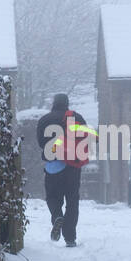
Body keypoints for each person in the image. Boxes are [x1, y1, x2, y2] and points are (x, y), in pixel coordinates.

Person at [36, 93, 94, 246]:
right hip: (72, 166)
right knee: (72, 200)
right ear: (67, 103)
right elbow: (86, 138)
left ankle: (56, 216)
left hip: (53, 165)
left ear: (54, 103)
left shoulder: (45, 120)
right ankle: (70, 238)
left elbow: (41, 143)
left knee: (52, 197)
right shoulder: (76, 117)